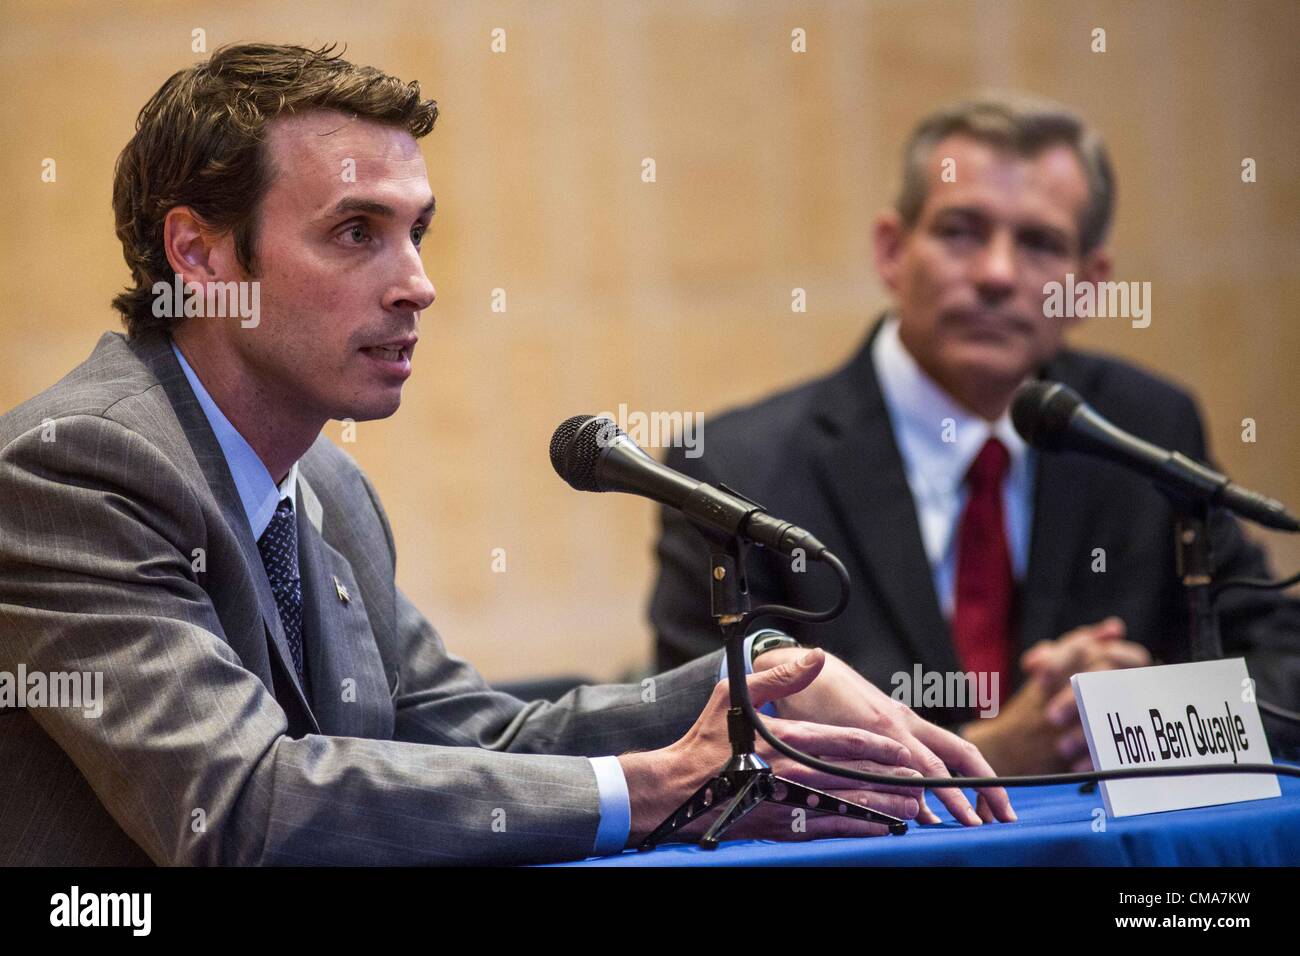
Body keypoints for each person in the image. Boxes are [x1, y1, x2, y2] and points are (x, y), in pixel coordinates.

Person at [0, 44, 1014, 867]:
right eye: (357, 232)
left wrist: (760, 681)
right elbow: (238, 804)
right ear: (199, 255)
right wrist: (647, 789)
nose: (418, 284)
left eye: (418, 231)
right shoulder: (75, 468)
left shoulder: (328, 489)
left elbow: (477, 738)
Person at [651, 94, 1300, 776]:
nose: (997, 274)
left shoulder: (1143, 429)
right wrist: (980, 756)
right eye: (962, 231)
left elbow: (1286, 665)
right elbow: (711, 745)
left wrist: (1143, 717)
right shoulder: (737, 471)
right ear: (892, 252)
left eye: (1040, 244)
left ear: (1088, 285)